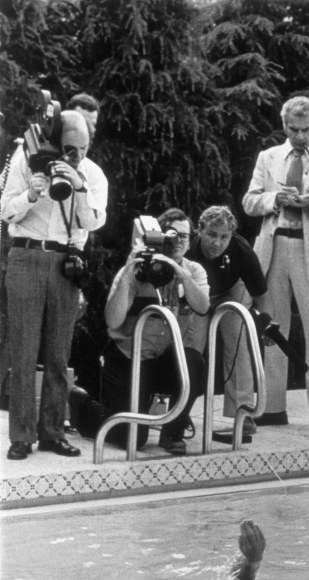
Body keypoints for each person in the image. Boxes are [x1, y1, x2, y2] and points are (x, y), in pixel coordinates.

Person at [2, 110, 108, 460]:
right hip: (27, 255)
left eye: (83, 148)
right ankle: (21, 435)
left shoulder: (93, 174)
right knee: (23, 350)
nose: (76, 155)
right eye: (69, 148)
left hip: (66, 261)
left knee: (59, 353)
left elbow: (93, 221)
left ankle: (52, 432)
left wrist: (78, 185)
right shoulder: (27, 157)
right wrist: (31, 196)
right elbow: (4, 211)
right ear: (55, 139)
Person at [242, 95, 309, 436]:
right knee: (274, 328)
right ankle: (273, 407)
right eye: (293, 129)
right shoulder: (269, 157)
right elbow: (249, 201)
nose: (299, 136)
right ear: (284, 125)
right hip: (275, 246)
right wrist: (274, 199)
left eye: (305, 130)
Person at [69, 208, 209, 454]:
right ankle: (81, 403)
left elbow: (203, 307)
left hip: (163, 358)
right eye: (171, 235)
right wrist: (126, 276)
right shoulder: (135, 270)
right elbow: (113, 321)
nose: (177, 242)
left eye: (184, 237)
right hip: (127, 358)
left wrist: (182, 276)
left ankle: (172, 432)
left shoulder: (193, 270)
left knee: (195, 362)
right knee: (132, 437)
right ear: (156, 237)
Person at [185, 205, 272, 436]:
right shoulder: (188, 250)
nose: (217, 242)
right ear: (200, 230)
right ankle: (180, 411)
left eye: (224, 237)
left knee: (239, 344)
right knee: (191, 347)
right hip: (199, 293)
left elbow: (261, 294)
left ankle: (242, 413)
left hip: (232, 289)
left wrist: (267, 326)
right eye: (212, 235)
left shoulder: (240, 250)